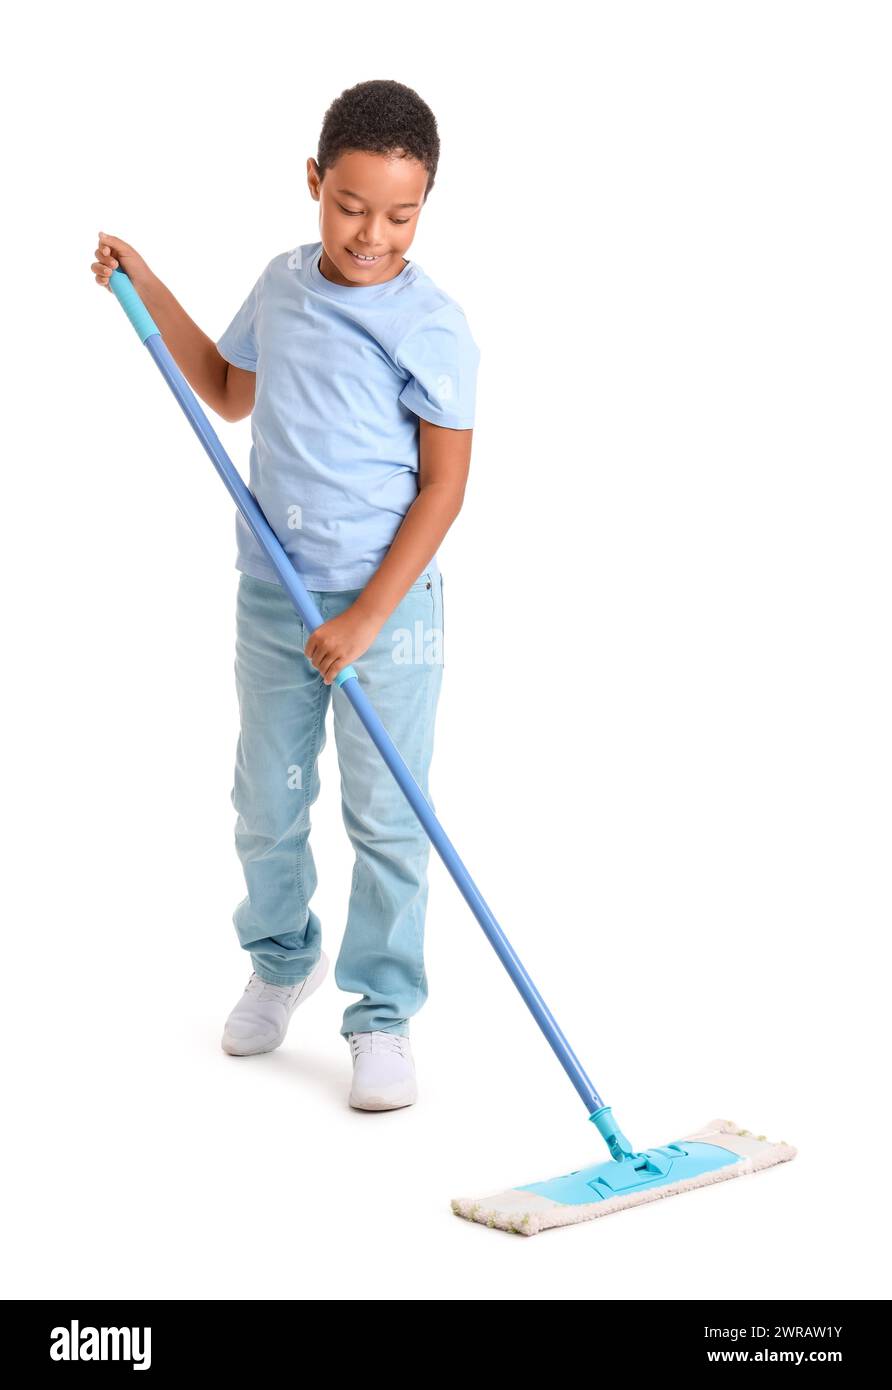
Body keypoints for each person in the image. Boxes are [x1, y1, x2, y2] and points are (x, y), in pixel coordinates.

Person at [91, 79, 480, 1111]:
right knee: (265, 800)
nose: (372, 233)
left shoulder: (432, 326)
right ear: (315, 182)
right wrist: (148, 289)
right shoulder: (283, 284)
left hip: (385, 610)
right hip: (274, 595)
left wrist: (363, 618)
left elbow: (444, 488)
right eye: (351, 204)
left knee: (388, 816)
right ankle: (280, 959)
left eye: (401, 213)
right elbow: (226, 389)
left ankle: (383, 1014)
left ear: (425, 202)